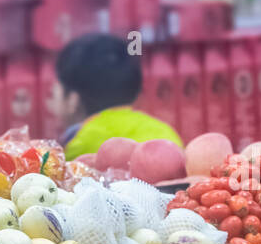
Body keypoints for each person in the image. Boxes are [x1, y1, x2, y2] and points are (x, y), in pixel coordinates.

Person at [53, 34, 181, 160]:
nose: (50, 98)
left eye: (53, 91)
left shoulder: (78, 145)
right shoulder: (166, 133)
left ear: (72, 99)